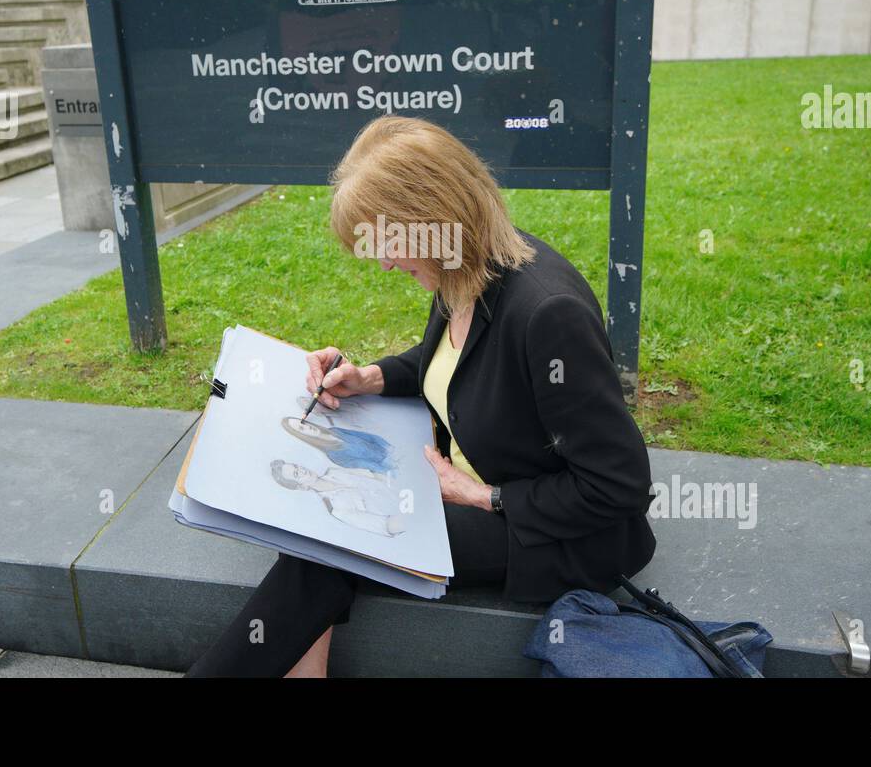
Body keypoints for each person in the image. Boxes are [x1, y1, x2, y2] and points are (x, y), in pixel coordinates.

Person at [185, 115, 656, 677]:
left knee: (330, 550)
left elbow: (620, 486)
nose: (383, 261)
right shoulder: (469, 269)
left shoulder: (548, 314)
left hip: (554, 535)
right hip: (470, 484)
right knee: (316, 538)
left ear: (435, 220)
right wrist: (371, 378)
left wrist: (484, 497)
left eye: (388, 242)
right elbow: (456, 365)